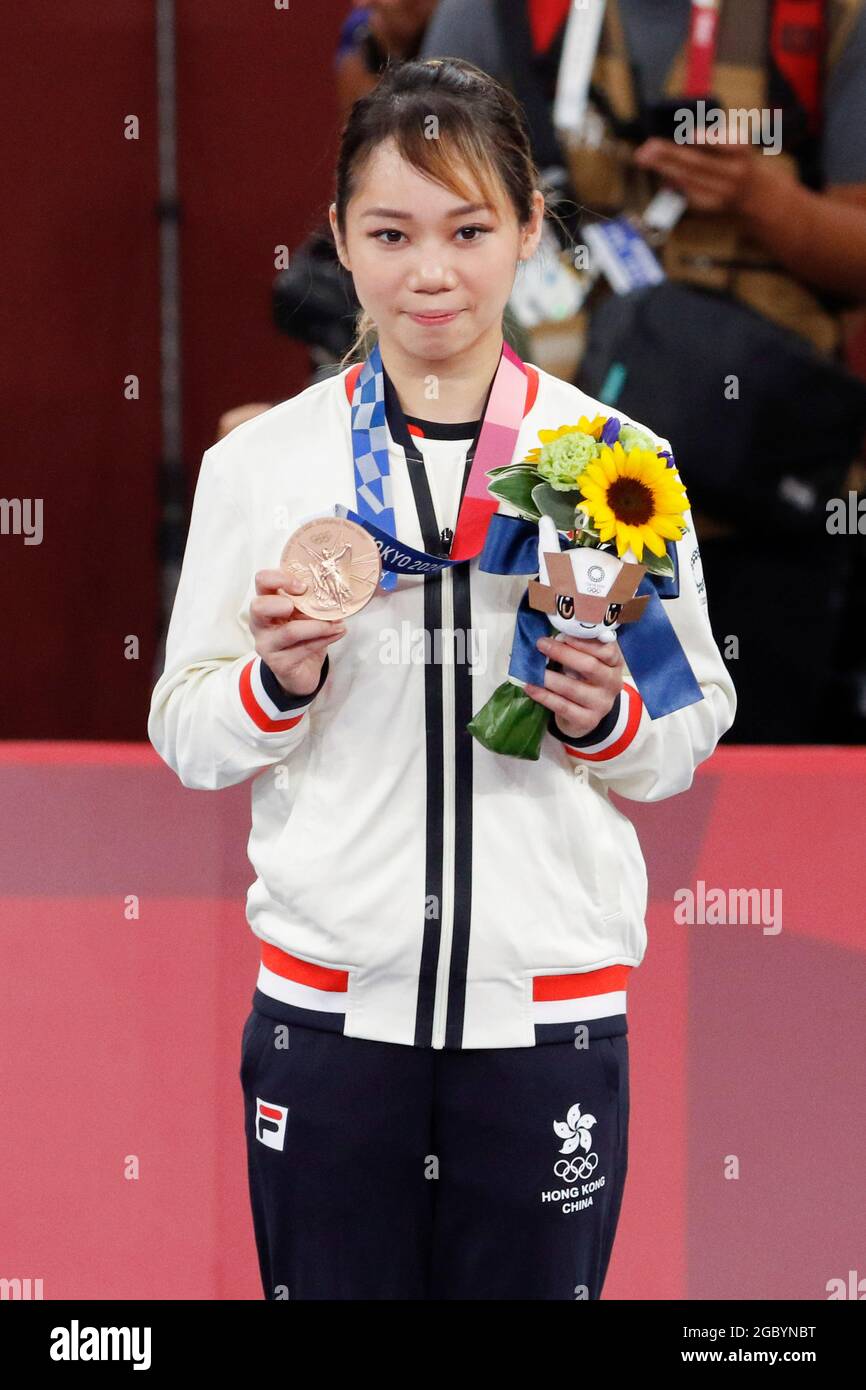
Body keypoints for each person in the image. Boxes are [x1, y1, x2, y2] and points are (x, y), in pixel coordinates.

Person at [147, 56, 736, 1301]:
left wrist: (608, 717)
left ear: (529, 230)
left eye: (470, 229)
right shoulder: (262, 467)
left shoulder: (617, 461)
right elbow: (187, 733)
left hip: (546, 1016)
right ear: (339, 242)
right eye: (391, 232)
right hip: (329, 1019)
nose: (431, 271)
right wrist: (274, 684)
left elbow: (686, 723)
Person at [420, 0, 866, 744]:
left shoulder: (821, 18)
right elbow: (406, 201)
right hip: (545, 499)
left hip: (762, 503)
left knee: (749, 800)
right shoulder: (495, 13)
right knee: (538, 772)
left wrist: (763, 198)